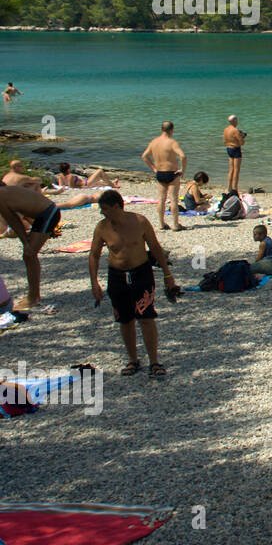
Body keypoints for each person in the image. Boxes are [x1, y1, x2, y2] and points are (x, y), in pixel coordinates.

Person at [88, 189, 178, 378]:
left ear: (116, 206)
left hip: (141, 273)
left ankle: (154, 361)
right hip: (117, 276)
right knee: (125, 319)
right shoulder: (102, 227)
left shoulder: (139, 221)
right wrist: (94, 282)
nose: (102, 213)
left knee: (146, 317)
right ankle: (133, 360)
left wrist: (167, 275)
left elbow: (155, 247)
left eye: (105, 209)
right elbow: (94, 255)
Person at [0, 184, 61, 309]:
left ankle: (33, 297)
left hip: (47, 214)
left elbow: (13, 220)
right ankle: (33, 295)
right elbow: (23, 211)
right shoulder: (6, 192)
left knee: (29, 254)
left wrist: (26, 243)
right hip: (45, 214)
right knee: (29, 255)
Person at [142, 121, 186, 232]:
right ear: (171, 130)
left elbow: (144, 156)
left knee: (161, 199)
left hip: (160, 173)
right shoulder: (172, 142)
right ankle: (175, 225)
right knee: (173, 199)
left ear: (162, 129)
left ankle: (161, 224)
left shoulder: (154, 142)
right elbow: (183, 156)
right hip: (172, 173)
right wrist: (182, 170)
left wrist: (153, 168)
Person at [223, 115, 246, 194]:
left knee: (231, 169)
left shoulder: (225, 129)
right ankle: (235, 188)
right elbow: (241, 143)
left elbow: (224, 140)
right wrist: (242, 137)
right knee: (236, 170)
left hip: (229, 148)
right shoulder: (235, 130)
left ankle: (229, 187)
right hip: (236, 149)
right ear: (234, 121)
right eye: (236, 120)